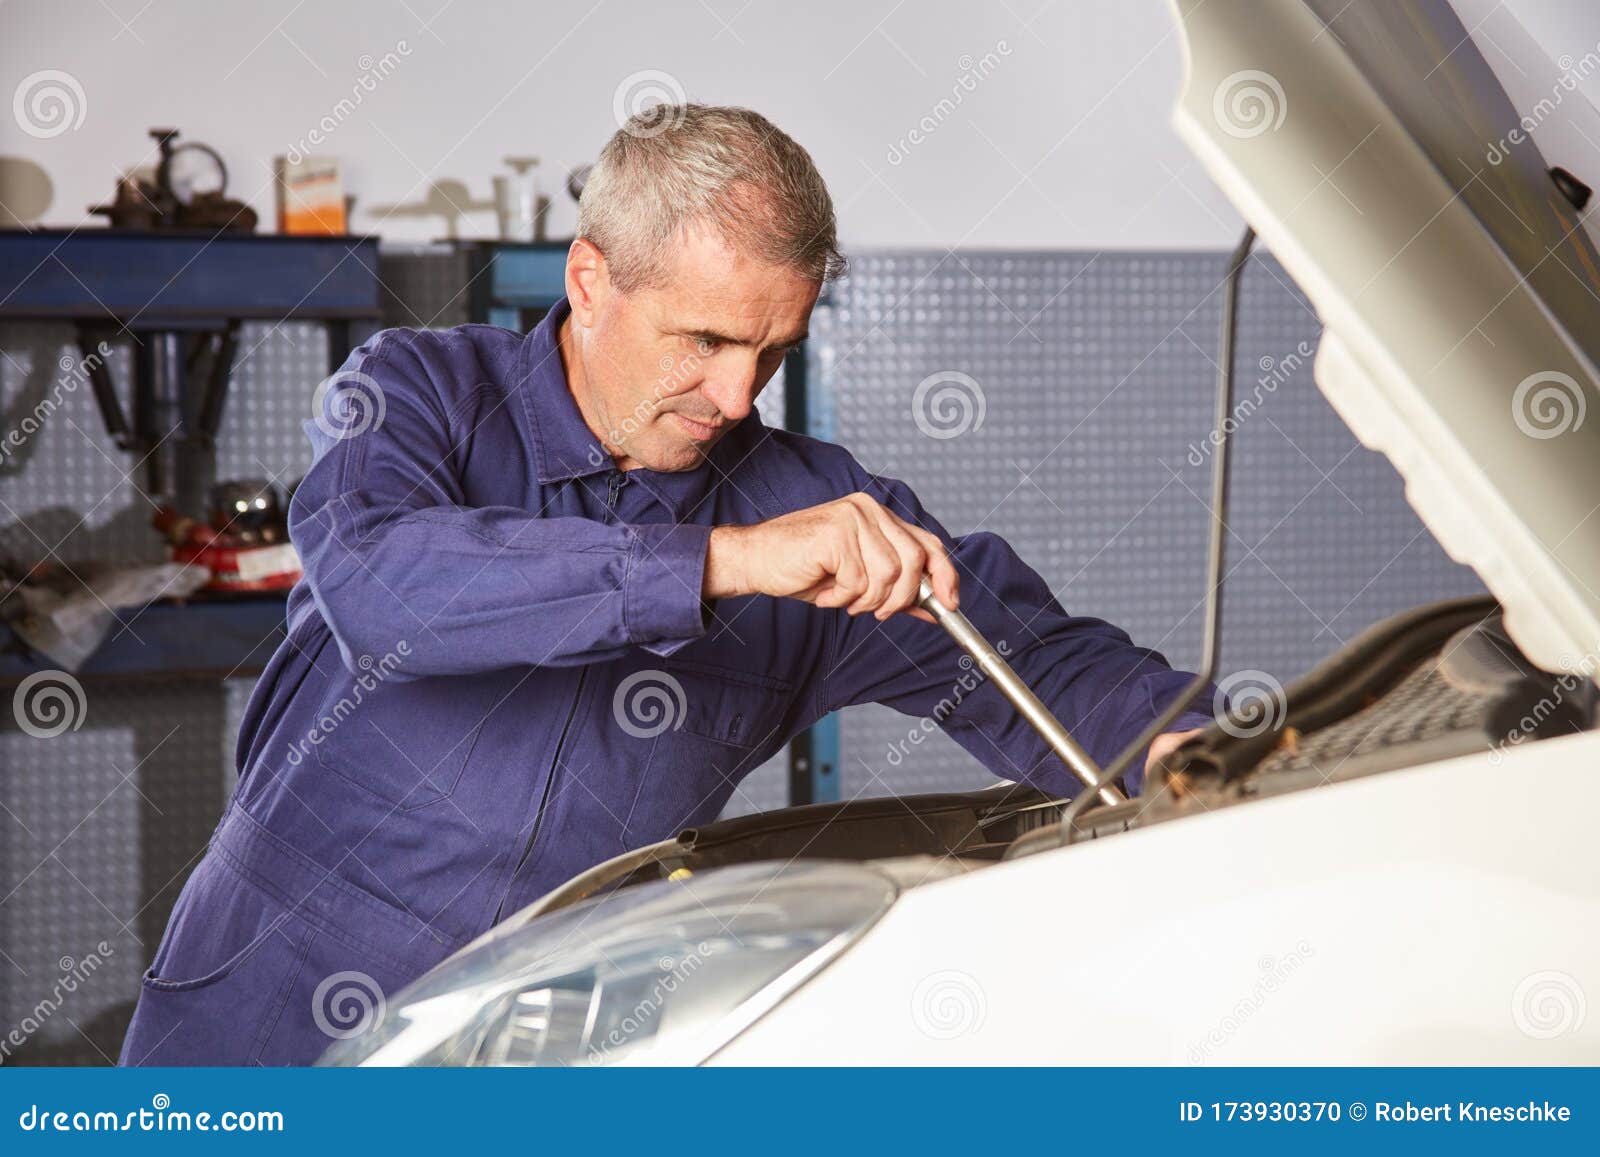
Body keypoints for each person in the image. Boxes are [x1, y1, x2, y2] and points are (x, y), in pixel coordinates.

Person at [120, 105, 1211, 1066]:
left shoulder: (810, 501)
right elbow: (383, 585)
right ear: (590, 282)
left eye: (774, 349)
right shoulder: (419, 395)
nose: (738, 396)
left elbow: (1030, 657)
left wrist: (1190, 749)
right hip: (273, 997)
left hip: (552, 1033)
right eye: (707, 339)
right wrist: (723, 562)